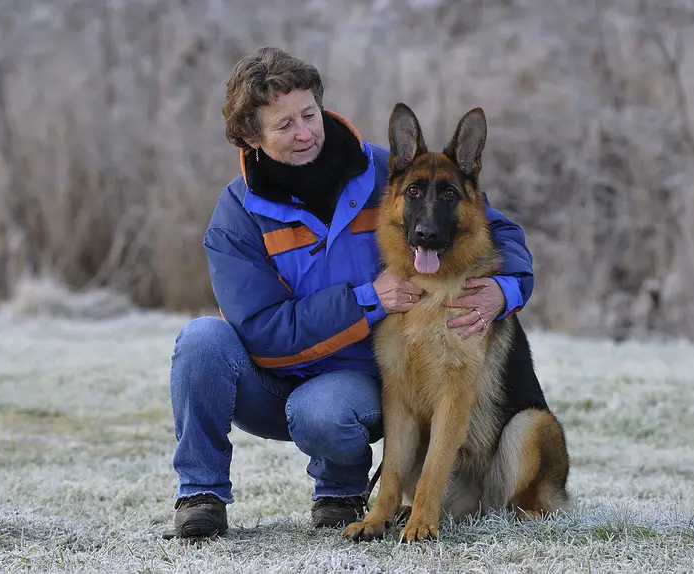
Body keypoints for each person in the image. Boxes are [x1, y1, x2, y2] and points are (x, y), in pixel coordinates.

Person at [165, 46, 536, 539]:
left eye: (309, 114)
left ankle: (339, 494)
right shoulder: (237, 213)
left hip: (352, 385)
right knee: (200, 342)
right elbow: (259, 330)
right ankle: (201, 494)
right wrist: (368, 298)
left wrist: (504, 289)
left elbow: (493, 227)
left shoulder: (391, 173)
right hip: (270, 382)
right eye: (283, 125)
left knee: (324, 408)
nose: (304, 132)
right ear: (251, 136)